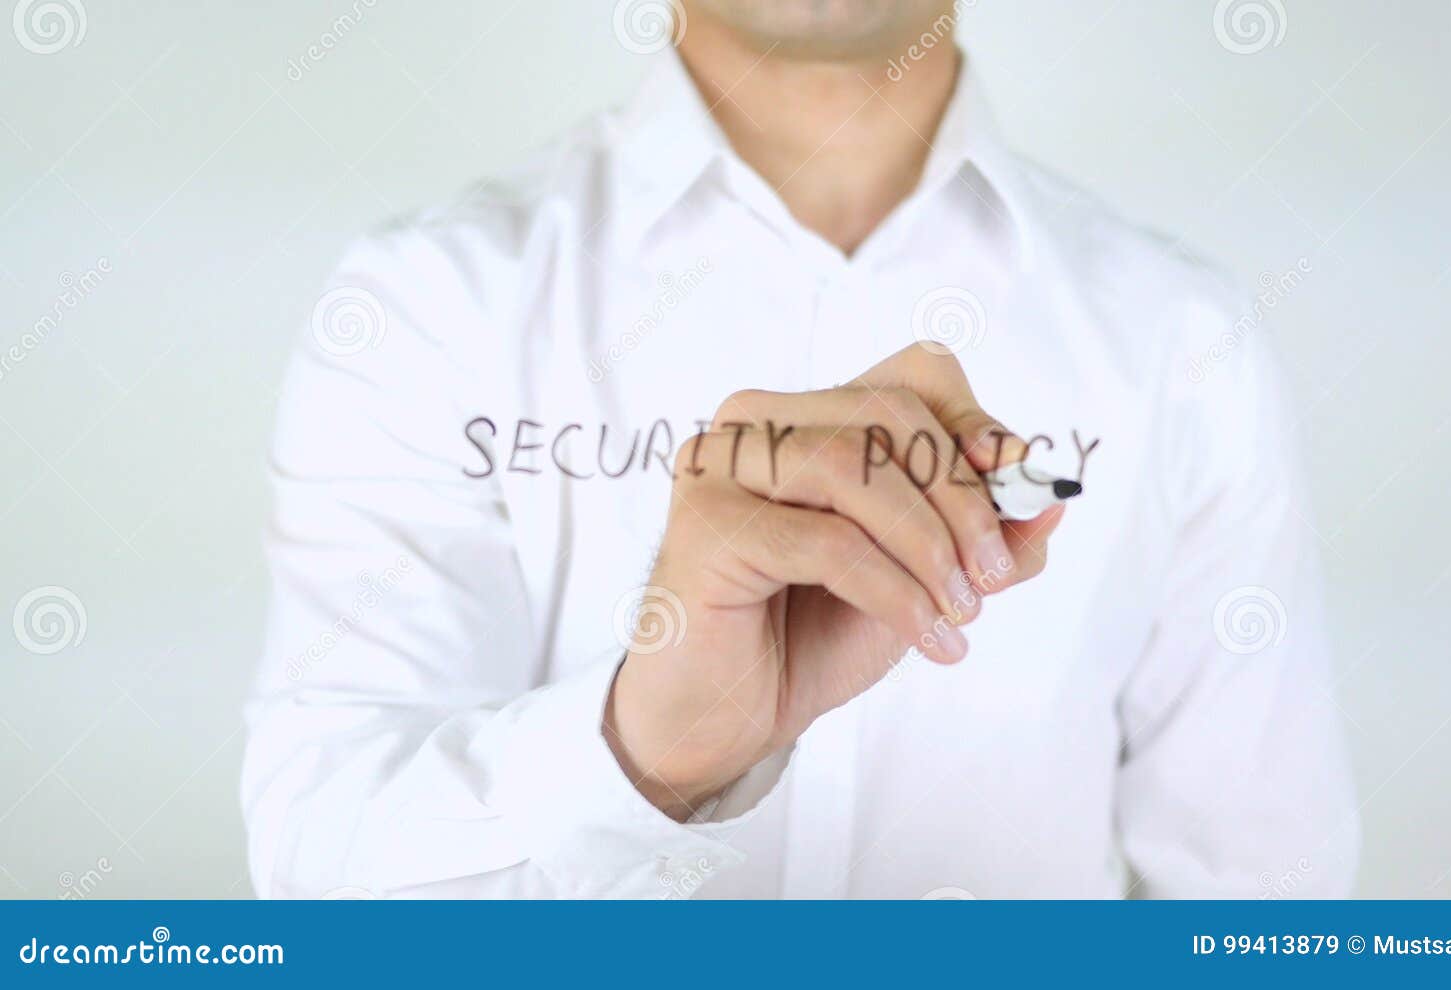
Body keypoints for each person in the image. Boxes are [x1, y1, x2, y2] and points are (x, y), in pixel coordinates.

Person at [242, 0, 1358, 898]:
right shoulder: (422, 308)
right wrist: (644, 751)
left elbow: (1262, 909)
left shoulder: (1186, 344)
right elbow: (327, 886)